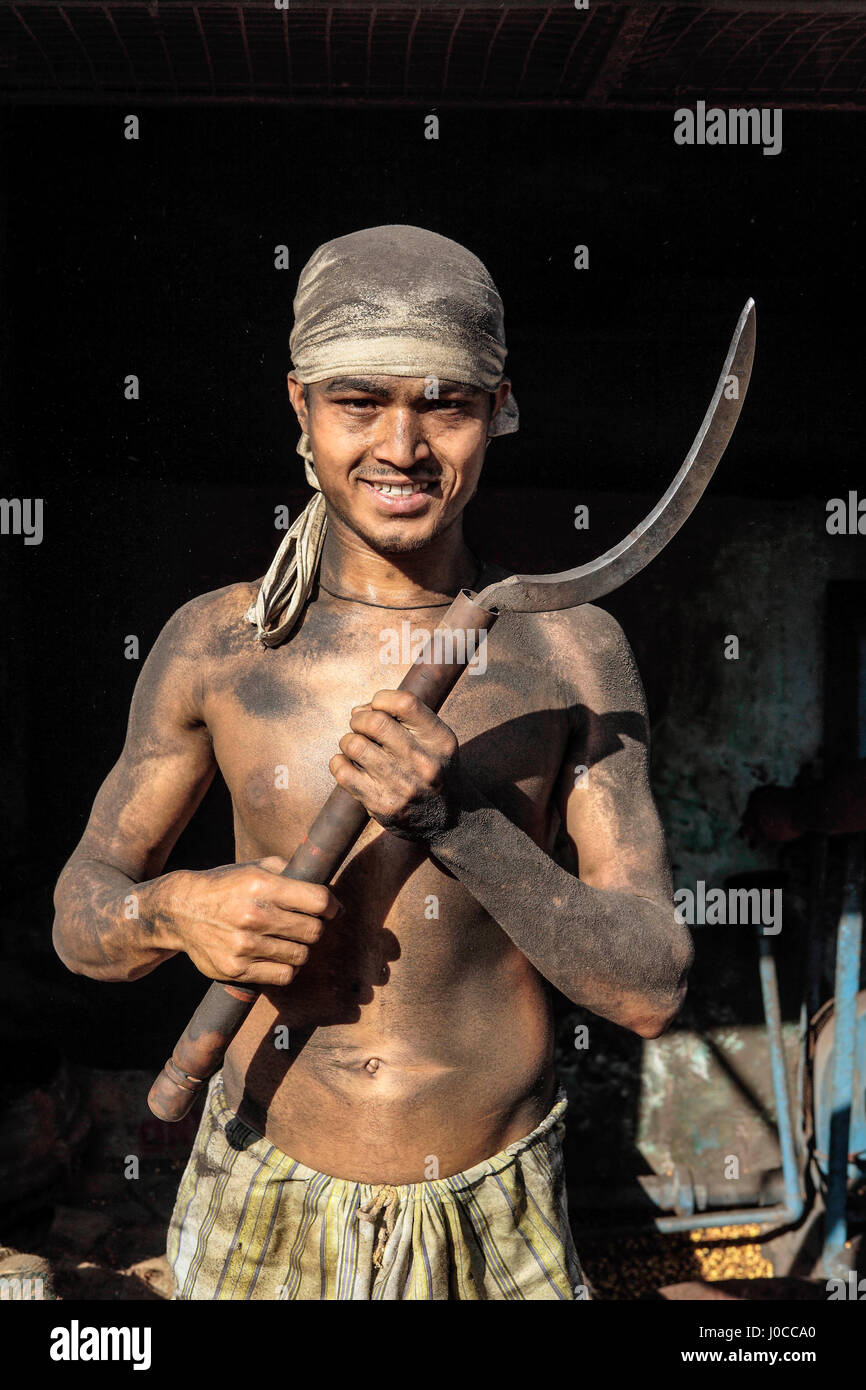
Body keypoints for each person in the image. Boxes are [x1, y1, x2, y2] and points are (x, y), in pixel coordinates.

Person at [52, 225, 692, 1300]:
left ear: (499, 410)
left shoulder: (569, 648)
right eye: (359, 401)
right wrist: (172, 912)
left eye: (442, 403)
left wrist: (463, 825)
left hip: (494, 1210)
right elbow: (80, 914)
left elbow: (650, 984)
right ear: (299, 407)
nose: (400, 444)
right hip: (260, 1188)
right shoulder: (220, 643)